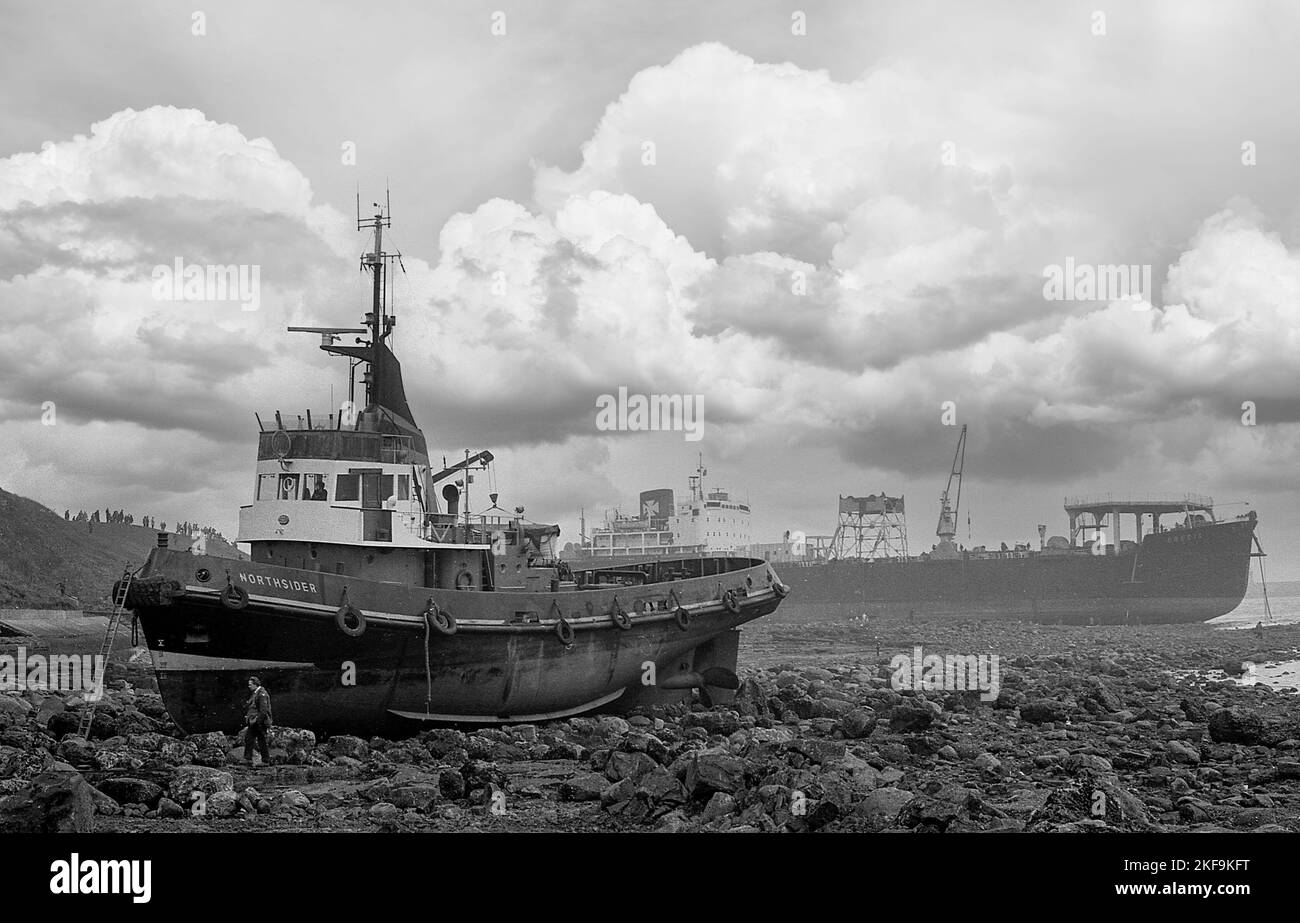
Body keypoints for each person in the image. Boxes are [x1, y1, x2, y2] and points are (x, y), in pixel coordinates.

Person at [242, 676, 272, 766]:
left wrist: (258, 721)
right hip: (254, 722)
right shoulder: (256, 693)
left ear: (256, 684)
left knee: (260, 740)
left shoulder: (261, 694)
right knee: (249, 738)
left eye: (250, 685)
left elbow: (263, 710)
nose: (249, 686)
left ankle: (265, 760)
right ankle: (248, 759)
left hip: (259, 722)